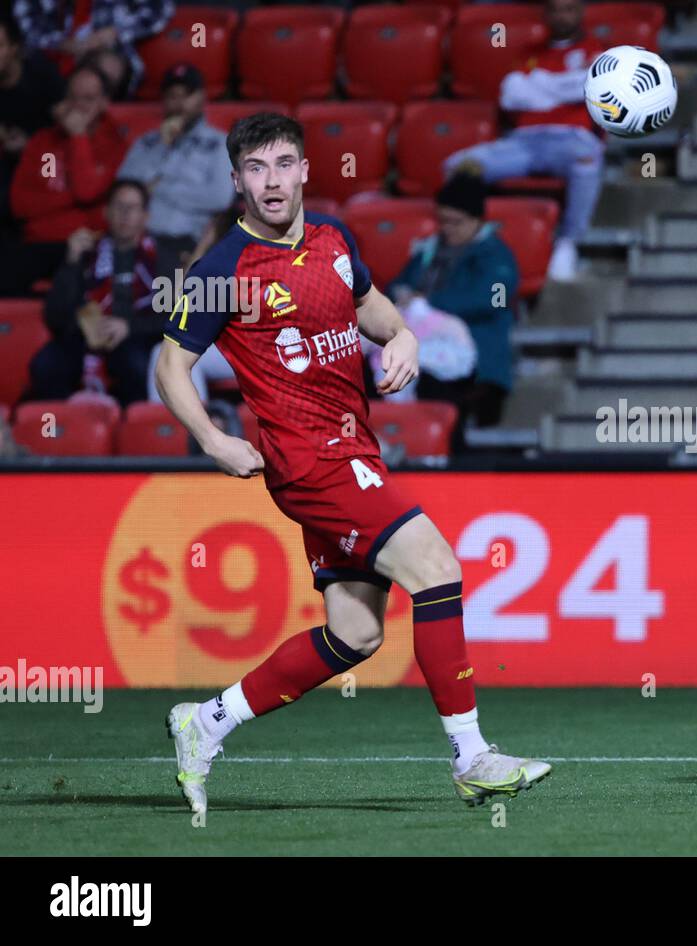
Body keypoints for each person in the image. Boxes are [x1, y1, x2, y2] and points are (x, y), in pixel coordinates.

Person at [154, 113, 550, 816]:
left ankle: (207, 722)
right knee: (439, 569)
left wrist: (403, 340)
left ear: (307, 169)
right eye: (255, 169)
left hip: (354, 447)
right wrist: (213, 440)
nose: (271, 182)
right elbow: (171, 366)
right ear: (236, 181)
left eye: (282, 164)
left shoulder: (335, 238)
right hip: (311, 462)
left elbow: (373, 308)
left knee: (356, 633)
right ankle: (471, 756)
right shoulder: (224, 269)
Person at [442, 0, 604, 281]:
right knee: (457, 165)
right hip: (522, 142)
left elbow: (594, 87)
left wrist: (540, 85)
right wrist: (569, 86)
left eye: (569, 9)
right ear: (546, 12)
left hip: (570, 139)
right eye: (555, 9)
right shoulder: (529, 53)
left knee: (587, 159)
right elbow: (510, 95)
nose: (562, 16)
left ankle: (568, 243)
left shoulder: (596, 51)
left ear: (581, 11)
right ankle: (471, 242)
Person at [387, 171, 519, 435]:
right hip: (421, 343)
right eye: (443, 221)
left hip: (473, 355)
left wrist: (431, 302)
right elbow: (396, 286)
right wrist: (403, 297)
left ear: (477, 220)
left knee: (433, 389)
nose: (448, 229)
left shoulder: (497, 256)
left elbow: (496, 300)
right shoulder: (430, 250)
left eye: (456, 222)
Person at [24, 178, 160, 405]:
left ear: (146, 216)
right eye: (119, 206)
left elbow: (175, 317)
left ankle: (128, 431)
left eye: (132, 208)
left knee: (136, 365)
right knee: (45, 364)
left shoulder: (161, 257)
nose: (124, 214)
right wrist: (71, 261)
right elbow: (55, 314)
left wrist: (129, 327)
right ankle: (62, 430)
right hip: (83, 337)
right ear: (106, 212)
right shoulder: (86, 253)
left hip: (135, 336)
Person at [5, 62, 127, 294]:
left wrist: (78, 136)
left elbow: (86, 190)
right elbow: (19, 204)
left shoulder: (116, 145)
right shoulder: (43, 141)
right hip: (36, 246)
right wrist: (73, 201)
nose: (79, 107)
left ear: (104, 102)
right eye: (74, 98)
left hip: (86, 247)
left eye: (88, 99)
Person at [117, 63, 235, 277]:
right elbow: (124, 190)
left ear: (201, 98)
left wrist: (159, 187)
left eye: (186, 95)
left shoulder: (219, 144)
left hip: (183, 243)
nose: (179, 103)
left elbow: (219, 198)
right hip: (136, 240)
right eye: (172, 96)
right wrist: (162, 149)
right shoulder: (147, 144)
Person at [13, 0, 173, 91]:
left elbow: (161, 8)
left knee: (108, 65)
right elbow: (25, 24)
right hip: (53, 53)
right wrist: (61, 43)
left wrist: (116, 32)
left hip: (106, 51)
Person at [0, 11, 65, 225]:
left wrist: (31, 146)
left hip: (48, 155)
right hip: (7, 159)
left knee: (50, 172)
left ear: (14, 48)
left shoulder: (42, 74)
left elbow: (66, 130)